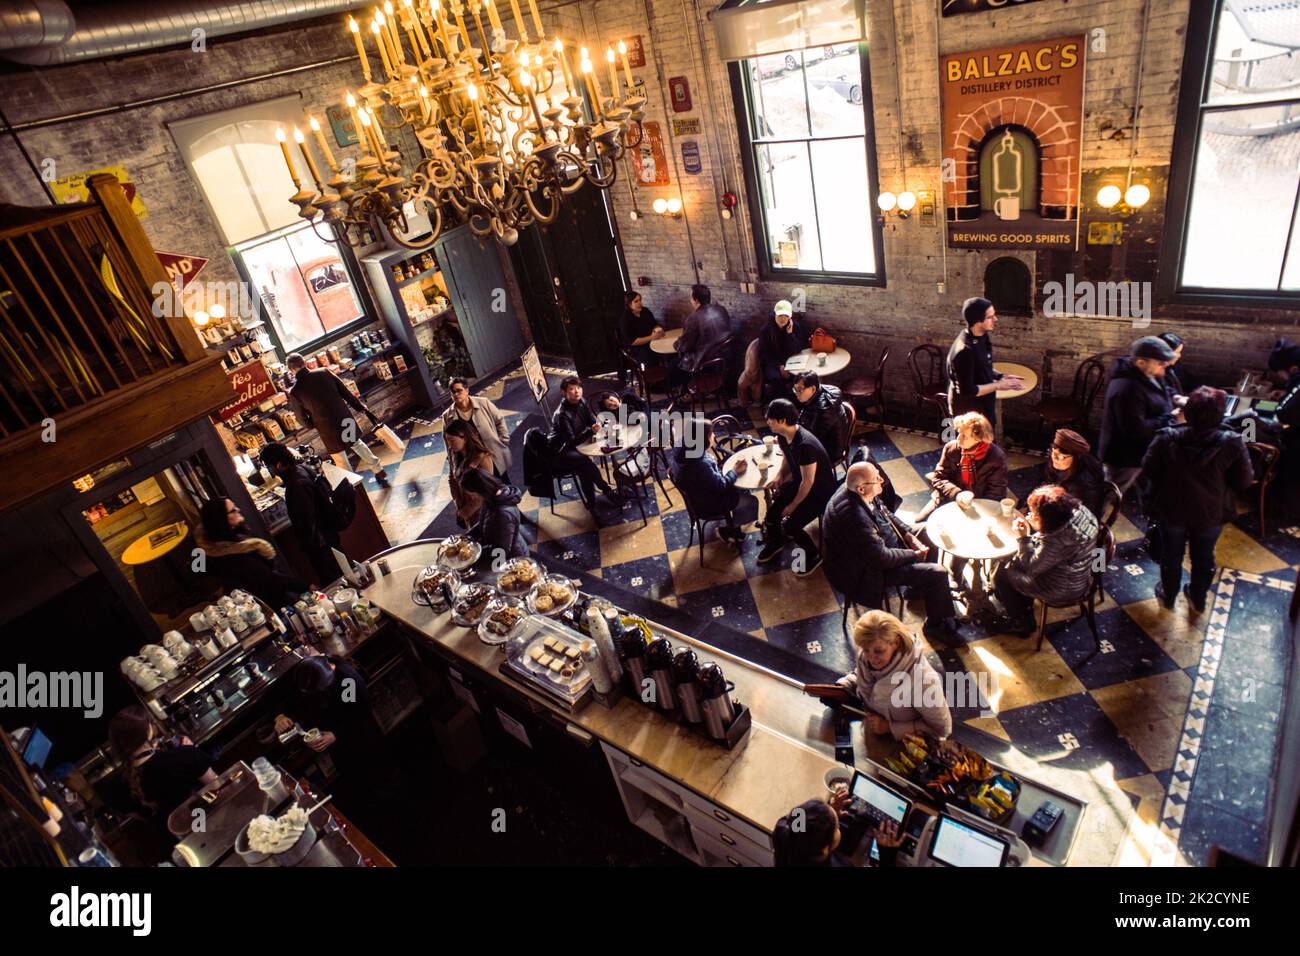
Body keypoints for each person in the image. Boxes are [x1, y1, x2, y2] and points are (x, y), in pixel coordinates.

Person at [823, 461, 964, 645]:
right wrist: (914, 555)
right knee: (938, 573)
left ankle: (918, 590)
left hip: (881, 548)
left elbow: (884, 512)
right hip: (868, 573)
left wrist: (908, 535)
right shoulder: (854, 517)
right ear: (862, 488)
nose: (882, 480)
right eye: (876, 479)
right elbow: (881, 559)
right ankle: (935, 626)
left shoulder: (857, 490)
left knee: (931, 532)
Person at [1141, 386, 1254, 613]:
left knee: (1171, 556)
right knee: (1204, 557)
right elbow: (1244, 481)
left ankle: (1169, 594)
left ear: (1188, 410)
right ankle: (1198, 597)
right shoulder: (1232, 442)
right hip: (1209, 512)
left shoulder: (1166, 437)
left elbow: (1148, 468)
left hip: (1171, 508)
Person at [809, 610, 953, 739]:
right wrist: (845, 686)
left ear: (895, 643)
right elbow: (864, 674)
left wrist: (890, 727)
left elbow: (941, 729)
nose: (871, 658)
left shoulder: (923, 682)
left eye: (879, 651)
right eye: (866, 650)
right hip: (871, 730)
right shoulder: (868, 655)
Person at [991, 486, 1100, 636]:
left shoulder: (1057, 539)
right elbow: (1098, 550)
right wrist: (1097, 572)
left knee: (1004, 572)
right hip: (1084, 571)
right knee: (1013, 561)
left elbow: (1032, 568)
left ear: (1050, 518)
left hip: (1062, 588)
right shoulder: (1081, 511)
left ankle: (1022, 622)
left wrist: (1023, 537)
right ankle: (1019, 601)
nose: (1031, 515)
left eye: (1035, 514)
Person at [757, 399, 837, 573]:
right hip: (800, 484)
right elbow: (787, 457)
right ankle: (776, 543)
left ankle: (814, 556)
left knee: (791, 527)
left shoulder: (805, 445)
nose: (767, 421)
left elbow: (808, 482)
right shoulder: (784, 435)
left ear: (782, 421)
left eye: (770, 418)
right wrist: (779, 476)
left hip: (819, 492)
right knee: (772, 516)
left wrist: (793, 506)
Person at [286, 353, 389, 486]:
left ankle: (355, 486)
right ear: (304, 362)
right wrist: (359, 407)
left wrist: (312, 424)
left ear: (291, 370)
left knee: (340, 457)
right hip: (343, 417)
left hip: (326, 428)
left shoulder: (295, 391)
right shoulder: (324, 372)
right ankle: (379, 471)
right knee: (357, 444)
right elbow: (345, 392)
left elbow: (301, 418)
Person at [1098, 335, 1180, 497]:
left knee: (1147, 489)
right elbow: (1136, 430)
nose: (1165, 367)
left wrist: (1175, 398)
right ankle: (1093, 520)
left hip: (1143, 452)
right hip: (1124, 457)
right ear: (1141, 362)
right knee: (1108, 494)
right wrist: (1172, 418)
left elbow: (1159, 389)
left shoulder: (1147, 374)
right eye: (1161, 363)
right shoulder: (1127, 389)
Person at [259, 442, 345, 585]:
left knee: (335, 581)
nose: (271, 471)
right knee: (342, 573)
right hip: (328, 536)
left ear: (279, 465)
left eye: (269, 467)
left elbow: (307, 521)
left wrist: (310, 546)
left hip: (322, 545)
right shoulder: (301, 469)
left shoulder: (296, 486)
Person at [108, 706, 217, 819]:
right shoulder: (185, 755)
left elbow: (142, 818)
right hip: (208, 822)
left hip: (177, 834)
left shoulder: (118, 786)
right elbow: (217, 786)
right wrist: (188, 751)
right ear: (148, 731)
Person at [196, 497, 307, 606]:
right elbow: (270, 578)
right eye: (233, 510)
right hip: (265, 602)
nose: (238, 510)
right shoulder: (234, 554)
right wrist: (305, 586)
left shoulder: (229, 538)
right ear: (221, 519)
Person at [549, 376, 622, 513]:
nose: (577, 391)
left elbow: (590, 419)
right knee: (583, 462)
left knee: (583, 468)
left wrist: (596, 424)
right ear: (564, 393)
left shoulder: (581, 401)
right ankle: (605, 490)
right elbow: (571, 441)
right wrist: (590, 431)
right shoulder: (562, 414)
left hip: (577, 445)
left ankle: (591, 500)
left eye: (578, 388)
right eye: (571, 389)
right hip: (560, 451)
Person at [917, 412, 1008, 521]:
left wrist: (973, 508)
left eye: (965, 436)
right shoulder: (951, 448)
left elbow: (996, 494)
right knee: (919, 522)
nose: (959, 439)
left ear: (979, 438)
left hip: (979, 505)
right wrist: (957, 495)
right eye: (959, 433)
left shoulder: (996, 457)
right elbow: (939, 478)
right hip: (949, 498)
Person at [669, 418, 746, 546]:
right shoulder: (699, 464)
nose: (714, 436)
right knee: (744, 492)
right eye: (711, 434)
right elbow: (721, 485)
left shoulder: (682, 447)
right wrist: (735, 471)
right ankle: (730, 531)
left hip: (696, 498)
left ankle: (733, 525)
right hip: (708, 504)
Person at [946, 297, 1023, 425]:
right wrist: (999, 385)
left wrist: (1001, 376)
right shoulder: (964, 350)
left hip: (985, 406)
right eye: (990, 317)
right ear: (977, 321)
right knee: (977, 445)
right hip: (969, 414)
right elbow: (967, 391)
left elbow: (982, 365)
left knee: (990, 442)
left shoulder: (983, 335)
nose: (995, 319)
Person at [772, 794, 902, 867]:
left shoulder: (783, 829)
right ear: (824, 850)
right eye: (837, 827)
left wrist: (827, 812)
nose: (839, 825)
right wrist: (887, 857)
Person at [442, 378, 511, 478]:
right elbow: (447, 441)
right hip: (469, 462)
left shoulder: (483, 403)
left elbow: (499, 421)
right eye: (453, 392)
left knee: (503, 484)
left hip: (492, 455)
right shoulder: (447, 416)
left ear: (467, 390)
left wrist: (503, 442)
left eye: (459, 390)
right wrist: (453, 466)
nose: (456, 394)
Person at [461, 467, 527, 559]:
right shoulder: (490, 498)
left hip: (511, 558)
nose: (472, 498)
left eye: (472, 494)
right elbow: (483, 522)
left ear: (480, 490)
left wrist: (473, 552)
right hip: (496, 548)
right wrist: (466, 537)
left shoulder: (503, 514)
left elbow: (502, 550)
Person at [1043, 428, 1107, 521]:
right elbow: (1048, 481)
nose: (1055, 458)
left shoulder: (1083, 485)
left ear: (1076, 458)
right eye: (1053, 451)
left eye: (1061, 456)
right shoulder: (1062, 465)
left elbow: (1075, 517)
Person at [673, 284, 732, 384]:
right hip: (724, 356)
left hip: (705, 362)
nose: (690, 300)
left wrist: (676, 344)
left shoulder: (693, 319)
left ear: (696, 300)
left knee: (673, 366)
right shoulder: (721, 309)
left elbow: (685, 346)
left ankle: (687, 394)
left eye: (690, 297)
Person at [445, 417, 496, 527]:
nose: (449, 445)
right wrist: (458, 504)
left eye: (452, 440)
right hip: (465, 509)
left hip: (484, 512)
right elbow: (452, 479)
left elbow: (486, 491)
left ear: (465, 438)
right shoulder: (454, 455)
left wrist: (466, 512)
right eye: (448, 441)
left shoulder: (482, 459)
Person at [756, 300, 809, 400]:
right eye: (780, 315)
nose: (783, 319)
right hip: (772, 363)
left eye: (786, 316)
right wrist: (779, 366)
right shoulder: (766, 330)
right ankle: (781, 405)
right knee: (776, 379)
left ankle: (795, 404)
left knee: (801, 377)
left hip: (790, 361)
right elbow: (764, 354)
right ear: (775, 314)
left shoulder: (794, 326)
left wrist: (790, 335)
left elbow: (797, 350)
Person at [792, 370, 846, 465]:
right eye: (795, 389)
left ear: (813, 389)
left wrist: (790, 436)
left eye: (800, 390)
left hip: (830, 450)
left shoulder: (824, 409)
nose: (796, 393)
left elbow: (812, 438)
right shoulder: (817, 391)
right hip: (821, 439)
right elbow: (803, 417)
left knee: (790, 454)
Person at [619, 290, 663, 367]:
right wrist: (652, 337)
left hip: (651, 340)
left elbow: (654, 324)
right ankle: (653, 375)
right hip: (638, 347)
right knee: (651, 358)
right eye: (636, 301)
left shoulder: (645, 311)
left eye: (640, 300)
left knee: (665, 351)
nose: (640, 303)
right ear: (629, 304)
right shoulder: (625, 319)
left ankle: (665, 373)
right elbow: (632, 341)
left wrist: (658, 330)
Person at [1158, 331, 1190, 402]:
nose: (1179, 355)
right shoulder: (1155, 371)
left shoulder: (1176, 365)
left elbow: (1189, 382)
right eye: (1177, 352)